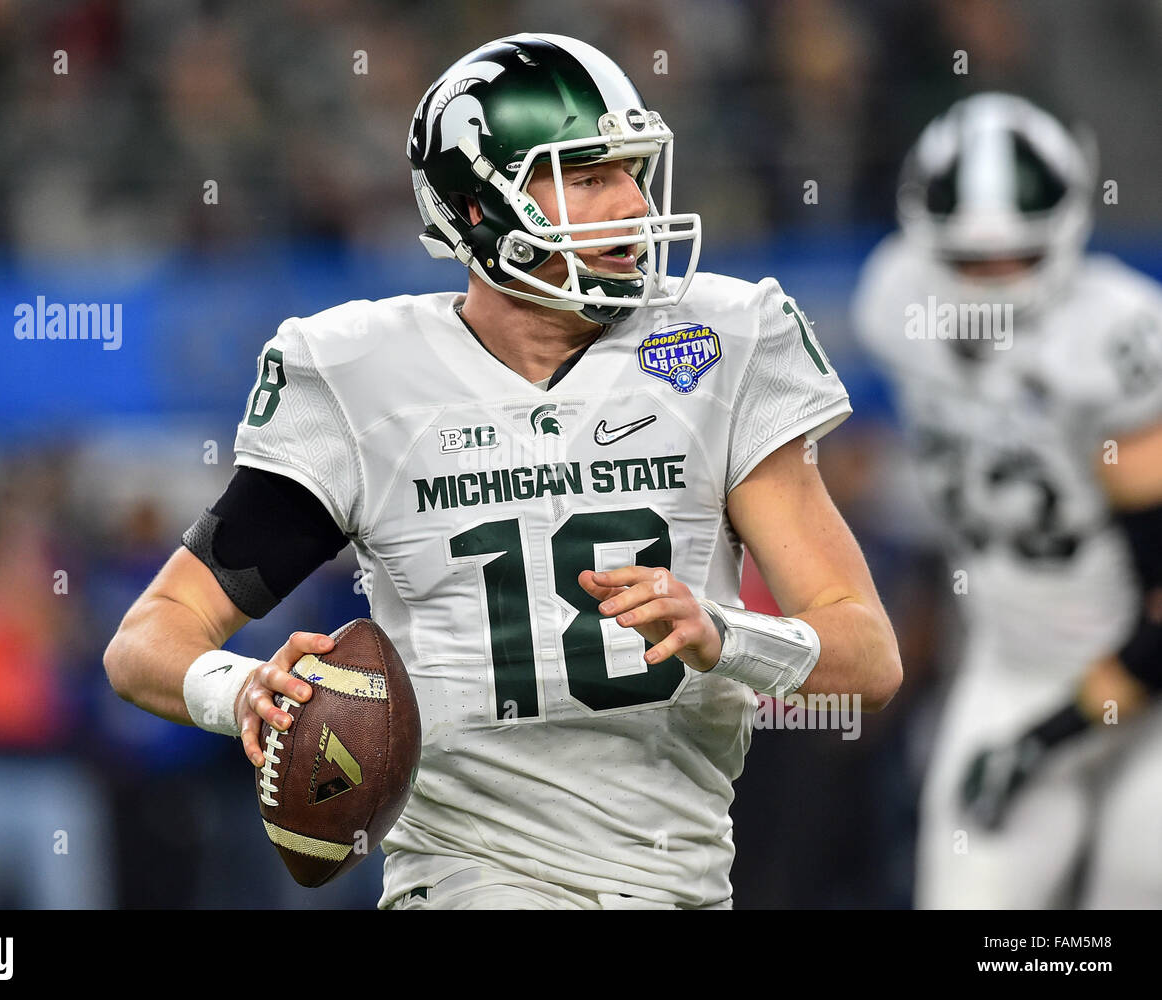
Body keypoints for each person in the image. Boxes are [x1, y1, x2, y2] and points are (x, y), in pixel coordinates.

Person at [105, 32, 901, 910]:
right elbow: (150, 637)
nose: (633, 201)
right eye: (591, 176)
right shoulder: (365, 376)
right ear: (481, 203)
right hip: (469, 877)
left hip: (682, 881)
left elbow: (868, 651)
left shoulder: (717, 343)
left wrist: (727, 636)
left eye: (633, 170)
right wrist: (242, 687)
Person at [853, 92, 1162, 909]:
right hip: (1009, 662)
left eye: (1017, 257)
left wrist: (1045, 739)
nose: (994, 281)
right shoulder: (894, 301)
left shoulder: (1121, 335)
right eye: (971, 260)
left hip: (1142, 685)